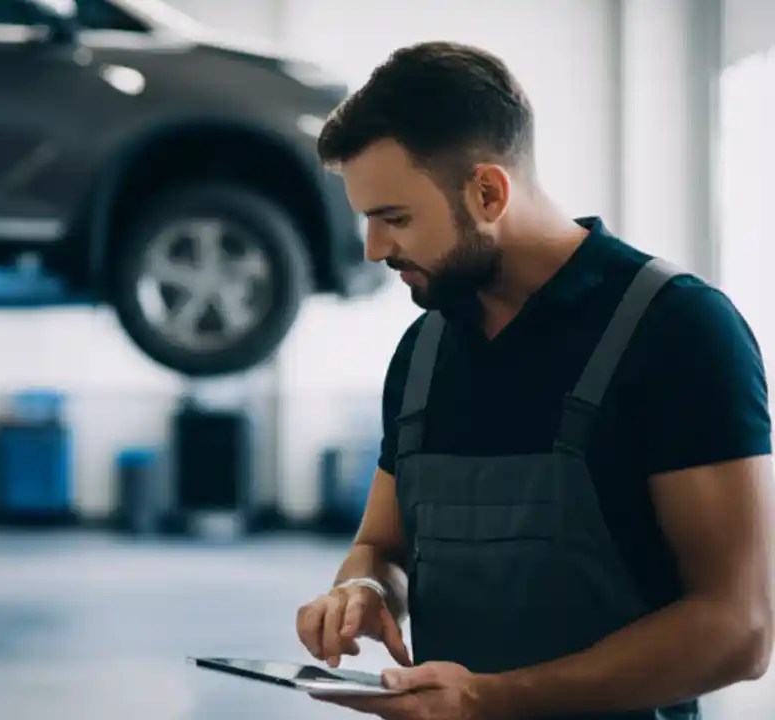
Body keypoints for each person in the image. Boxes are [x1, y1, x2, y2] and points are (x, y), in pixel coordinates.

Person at [295, 41, 772, 719]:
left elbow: (740, 628)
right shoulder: (424, 352)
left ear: (488, 192)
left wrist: (492, 700)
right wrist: (365, 590)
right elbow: (382, 545)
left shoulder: (680, 330)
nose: (374, 249)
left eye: (394, 218)